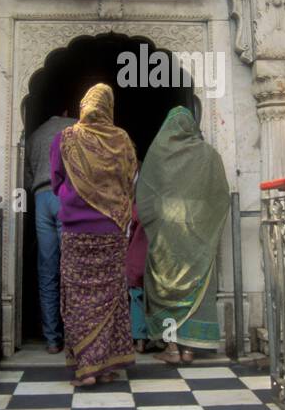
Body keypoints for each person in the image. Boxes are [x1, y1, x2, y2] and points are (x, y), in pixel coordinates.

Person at [50, 83, 137, 385]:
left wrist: (74, 195)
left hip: (76, 229)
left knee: (78, 298)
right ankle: (107, 365)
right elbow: (129, 180)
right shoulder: (122, 140)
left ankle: (88, 367)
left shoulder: (66, 139)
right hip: (111, 229)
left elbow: (56, 180)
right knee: (111, 297)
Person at [137, 105, 230, 364]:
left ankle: (172, 349)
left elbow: (145, 197)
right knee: (197, 286)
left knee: (164, 287)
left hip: (166, 235)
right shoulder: (209, 155)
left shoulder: (158, 155)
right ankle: (190, 349)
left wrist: (154, 225)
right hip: (199, 235)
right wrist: (208, 225)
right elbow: (221, 196)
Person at [25, 108, 75, 353]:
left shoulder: (34, 135)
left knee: (48, 269)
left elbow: (26, 177)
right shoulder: (76, 127)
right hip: (66, 196)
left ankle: (53, 339)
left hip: (41, 198)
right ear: (68, 110)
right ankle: (75, 334)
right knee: (73, 267)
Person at [127, 196, 152, 352]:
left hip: (136, 262)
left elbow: (128, 234)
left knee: (137, 299)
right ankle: (160, 337)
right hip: (155, 262)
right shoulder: (158, 207)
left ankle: (139, 340)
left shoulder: (135, 209)